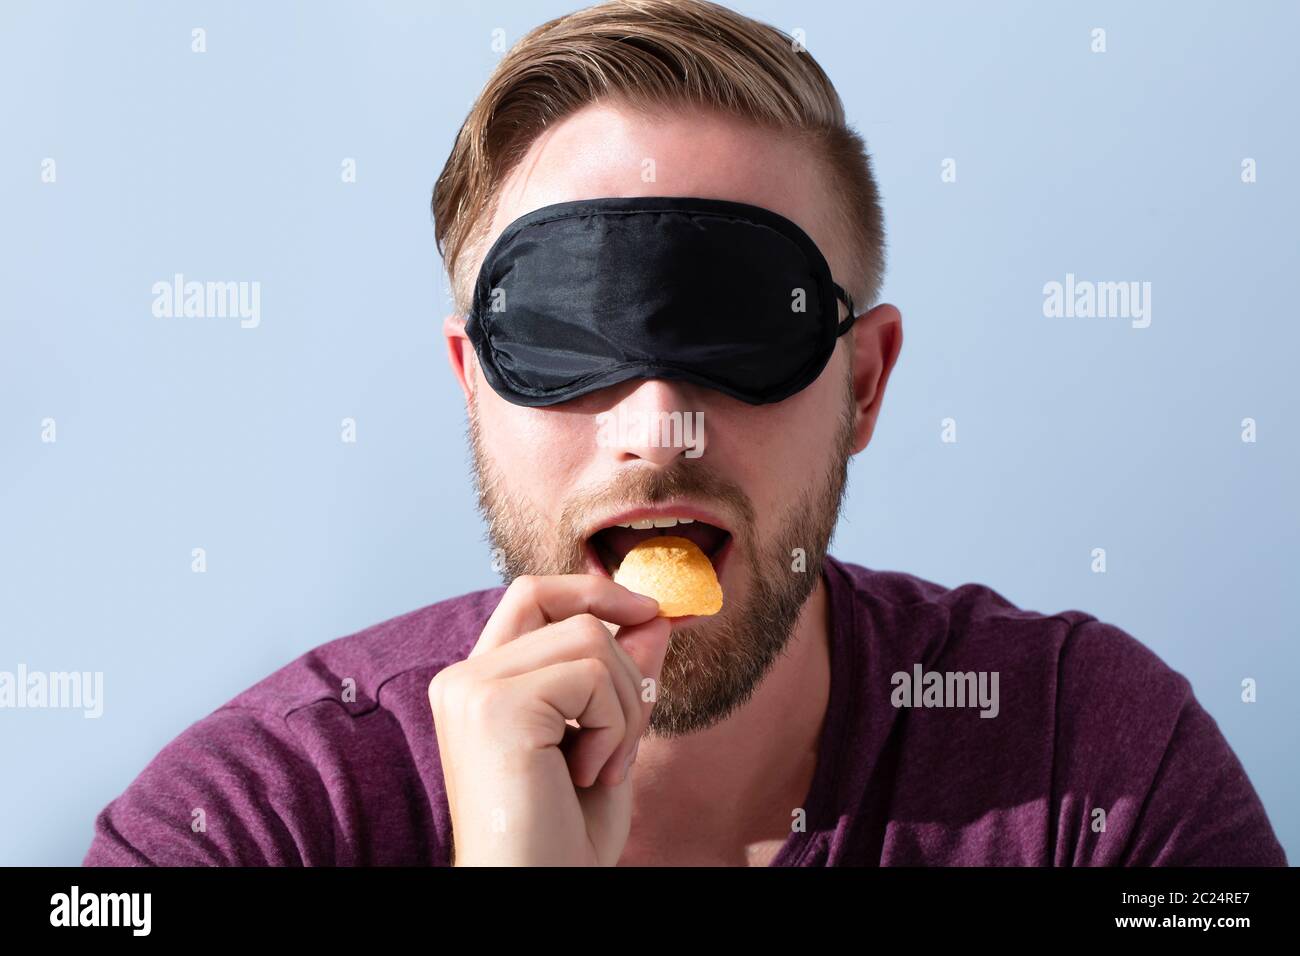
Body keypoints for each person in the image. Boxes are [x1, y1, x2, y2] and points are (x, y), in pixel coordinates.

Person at [83, 0, 1285, 867]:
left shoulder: (1099, 775)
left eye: (741, 329)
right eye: (564, 337)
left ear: (864, 384)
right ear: (470, 383)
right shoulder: (245, 826)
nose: (662, 426)